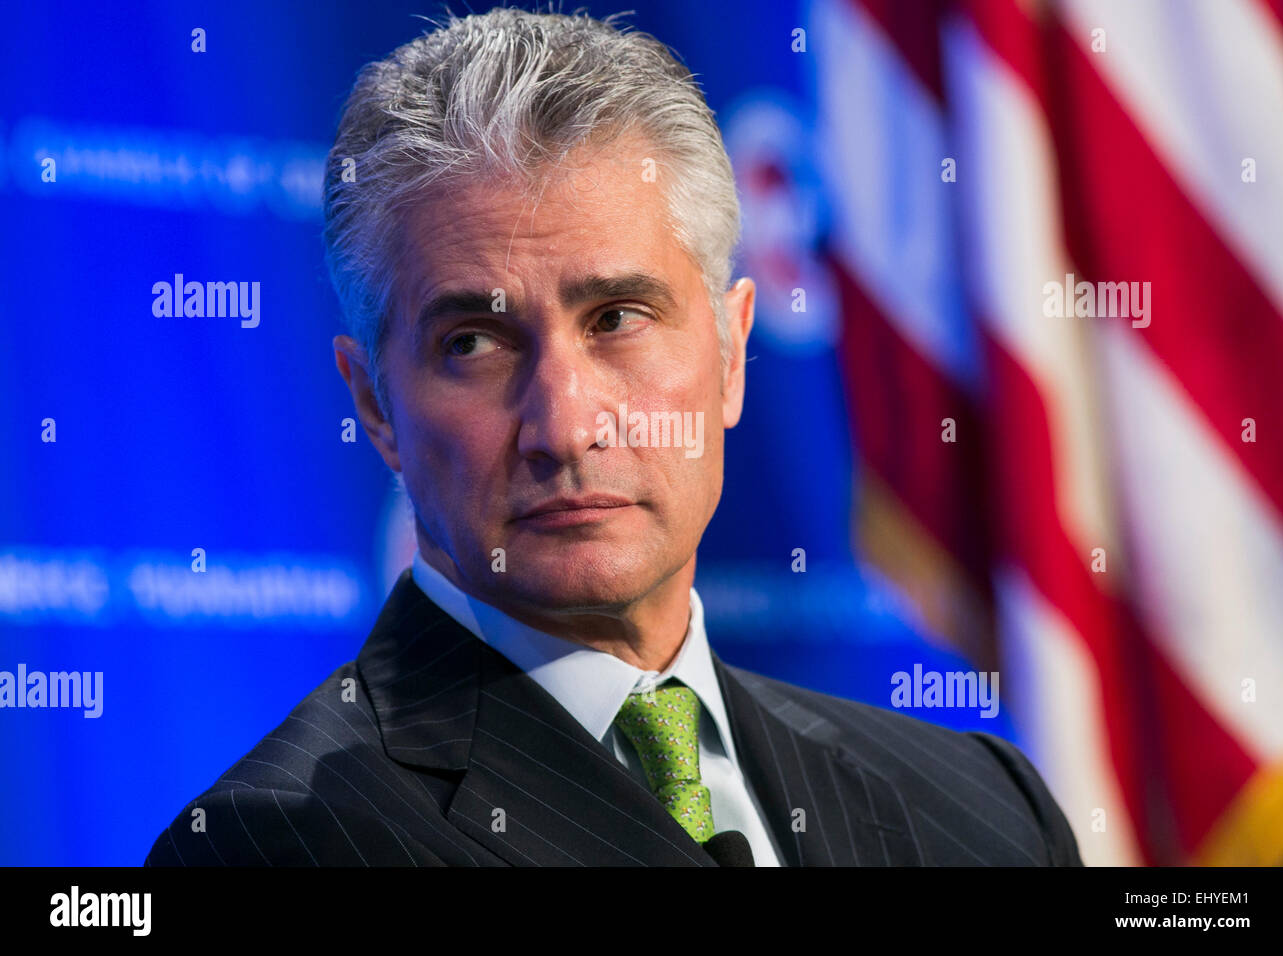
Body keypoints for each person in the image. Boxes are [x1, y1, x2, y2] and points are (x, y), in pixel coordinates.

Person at [145, 7, 1081, 867]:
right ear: (376, 405)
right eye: (473, 342)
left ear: (730, 355)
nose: (567, 425)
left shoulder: (985, 810)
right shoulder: (276, 846)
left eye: (619, 318)